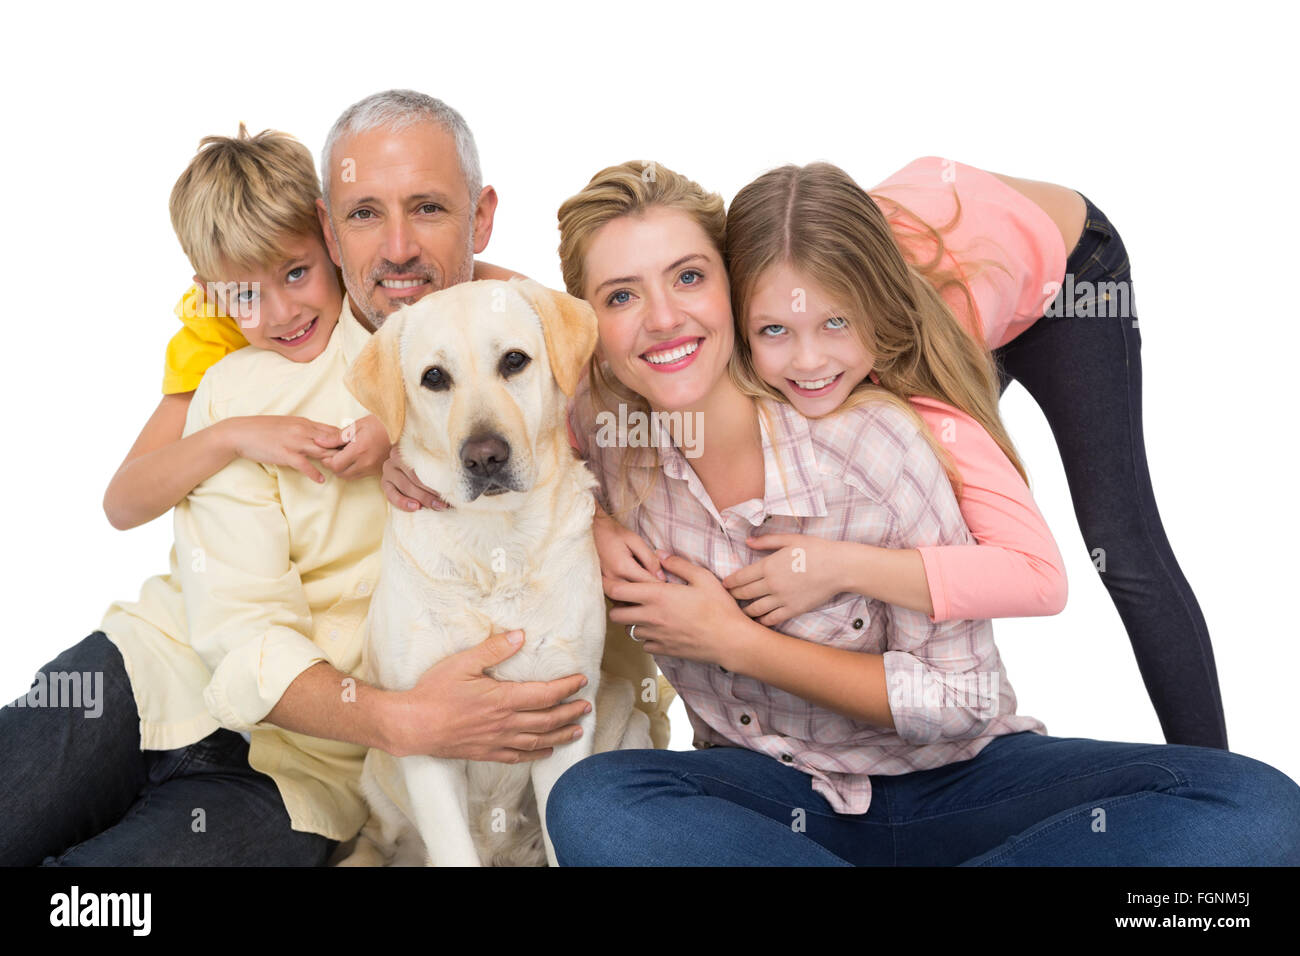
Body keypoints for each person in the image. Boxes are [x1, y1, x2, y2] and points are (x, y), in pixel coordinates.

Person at [542, 160, 1300, 865]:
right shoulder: (593, 443)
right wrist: (590, 519)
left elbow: (990, 657)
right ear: (586, 326)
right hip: (775, 795)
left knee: (1254, 808)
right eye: (620, 296)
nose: (663, 317)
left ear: (733, 290)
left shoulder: (887, 432)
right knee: (597, 804)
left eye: (687, 277)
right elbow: (469, 353)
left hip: (959, 782)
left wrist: (740, 642)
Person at [1, 91, 655, 866]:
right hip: (153, 673)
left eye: (431, 208)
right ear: (330, 226)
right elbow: (199, 583)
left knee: (90, 904)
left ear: (480, 219)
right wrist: (407, 722)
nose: (401, 247)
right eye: (366, 214)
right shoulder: (242, 370)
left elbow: (547, 325)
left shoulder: (522, 356)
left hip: (307, 775)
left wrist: (597, 524)